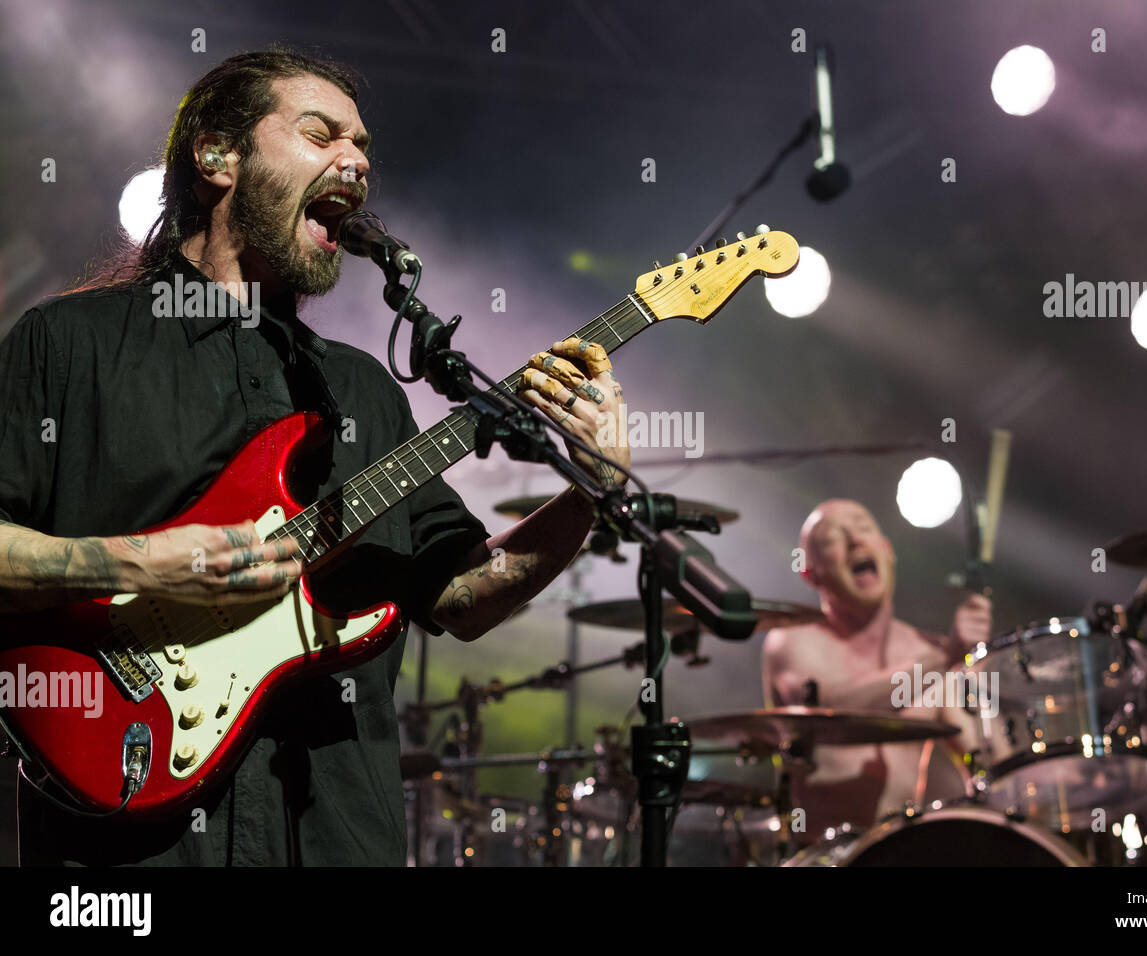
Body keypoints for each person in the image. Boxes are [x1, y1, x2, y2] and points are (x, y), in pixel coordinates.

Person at [0, 49, 630, 865]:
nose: (358, 160)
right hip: (130, 853)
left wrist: (590, 492)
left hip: (335, 836)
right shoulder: (66, 345)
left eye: (364, 145)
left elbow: (465, 595)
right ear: (216, 156)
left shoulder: (363, 393)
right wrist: (141, 565)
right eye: (321, 133)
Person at [762, 499, 991, 840]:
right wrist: (946, 660)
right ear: (810, 572)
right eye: (831, 539)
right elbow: (828, 712)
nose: (855, 540)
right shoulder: (791, 641)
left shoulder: (931, 651)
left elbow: (992, 765)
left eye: (864, 527)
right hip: (820, 857)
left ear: (887, 551)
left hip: (902, 853)